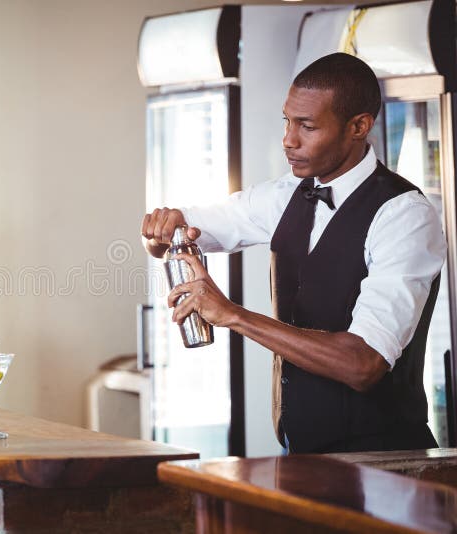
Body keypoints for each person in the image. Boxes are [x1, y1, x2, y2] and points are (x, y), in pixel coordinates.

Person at [141, 53, 447, 454]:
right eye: (287, 121)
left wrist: (232, 314)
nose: (289, 139)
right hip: (299, 451)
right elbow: (177, 231)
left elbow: (363, 364)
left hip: (386, 459)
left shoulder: (404, 215)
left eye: (307, 125)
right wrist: (160, 231)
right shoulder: (287, 194)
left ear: (359, 127)